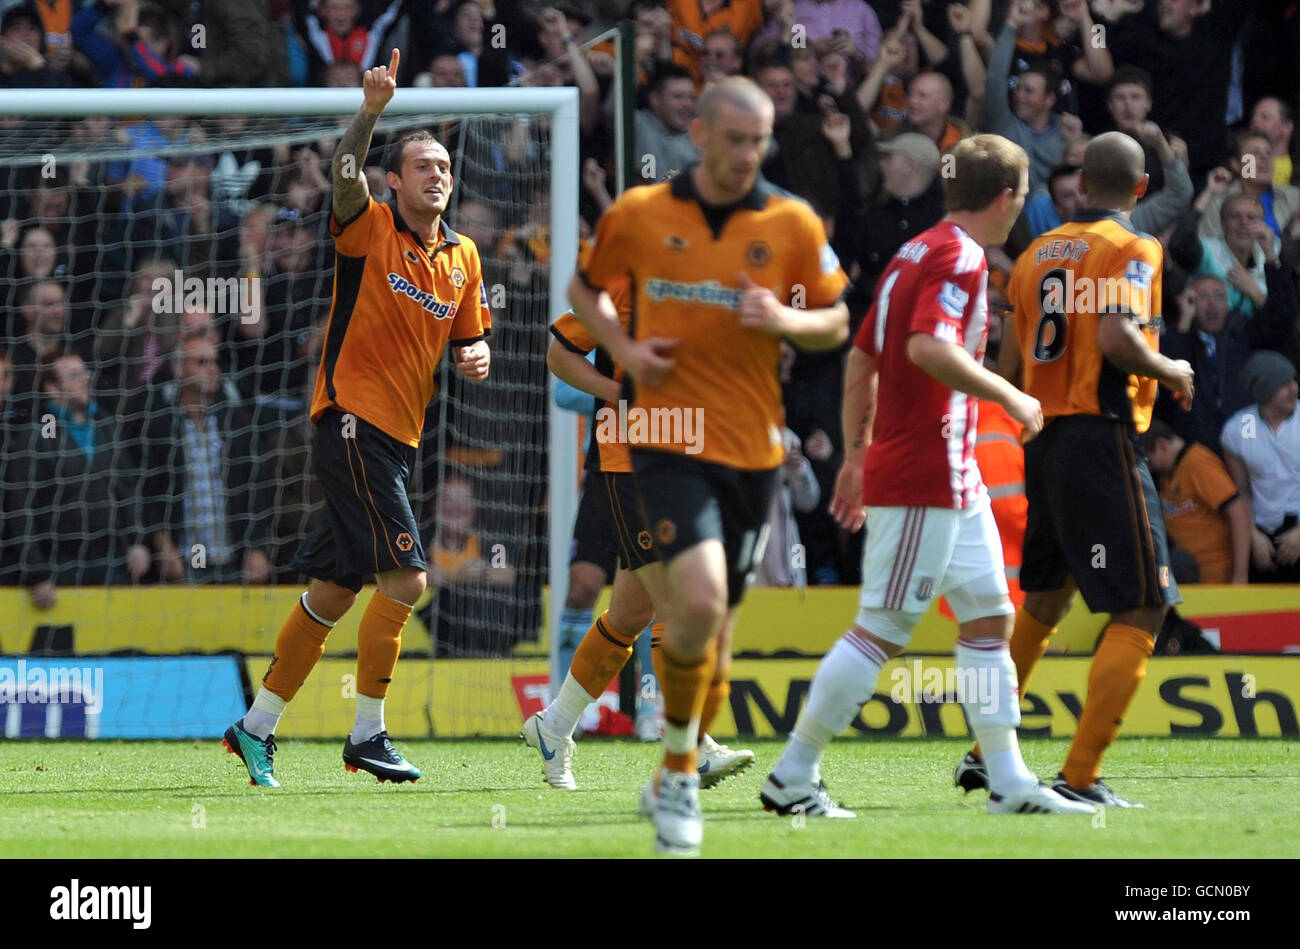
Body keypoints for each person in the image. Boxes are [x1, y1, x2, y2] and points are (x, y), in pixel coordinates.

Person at [761, 134, 1092, 820]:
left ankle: (1006, 779)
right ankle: (793, 773)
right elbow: (924, 347)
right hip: (925, 468)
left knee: (990, 617)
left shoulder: (913, 251)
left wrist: (855, 454)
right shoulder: (960, 257)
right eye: (1022, 196)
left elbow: (863, 358)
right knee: (882, 626)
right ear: (1005, 199)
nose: (1020, 207)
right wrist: (1010, 393)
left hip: (945, 468)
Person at [568, 76, 850, 854]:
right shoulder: (639, 215)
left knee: (715, 633)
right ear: (699, 133)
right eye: (735, 138)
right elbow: (581, 292)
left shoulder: (790, 220)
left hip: (752, 448)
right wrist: (623, 351)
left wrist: (786, 316)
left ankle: (667, 770)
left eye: (759, 140)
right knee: (694, 598)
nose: (747, 154)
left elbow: (837, 320)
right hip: (662, 438)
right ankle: (681, 775)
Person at [223, 49, 492, 788]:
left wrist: (478, 360)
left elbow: (472, 341)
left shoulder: (464, 256)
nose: (438, 174)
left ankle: (253, 729)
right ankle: (368, 734)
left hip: (399, 438)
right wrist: (370, 113)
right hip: (350, 419)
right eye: (423, 166)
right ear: (394, 181)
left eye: (444, 166)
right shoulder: (366, 225)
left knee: (335, 592)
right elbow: (345, 174)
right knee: (407, 580)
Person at [974, 131, 1196, 808]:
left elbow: (1007, 371)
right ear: (1139, 188)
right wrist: (1171, 368)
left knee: (1044, 598)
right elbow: (1117, 337)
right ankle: (1079, 776)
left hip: (1042, 440)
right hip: (1100, 439)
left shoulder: (1034, 255)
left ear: (1080, 184)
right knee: (1146, 602)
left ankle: (990, 756)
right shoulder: (1134, 247)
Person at [524, 276, 755, 790]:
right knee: (681, 601)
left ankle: (553, 726)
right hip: (631, 465)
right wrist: (616, 393)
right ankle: (693, 743)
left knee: (630, 614)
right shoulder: (623, 286)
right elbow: (561, 356)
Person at [1220, 352, 1300, 584]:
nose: (1294, 388)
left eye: (1294, 380)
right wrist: (1253, 536)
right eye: (1284, 384)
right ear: (1264, 390)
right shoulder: (1238, 429)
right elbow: (1242, 491)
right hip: (1263, 538)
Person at [1141, 418, 1250, 585]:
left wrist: (1240, 576)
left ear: (1162, 445)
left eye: (1148, 461)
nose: (1149, 468)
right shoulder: (1167, 472)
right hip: (1186, 576)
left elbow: (1238, 513)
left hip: (1215, 578)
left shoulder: (1198, 463)